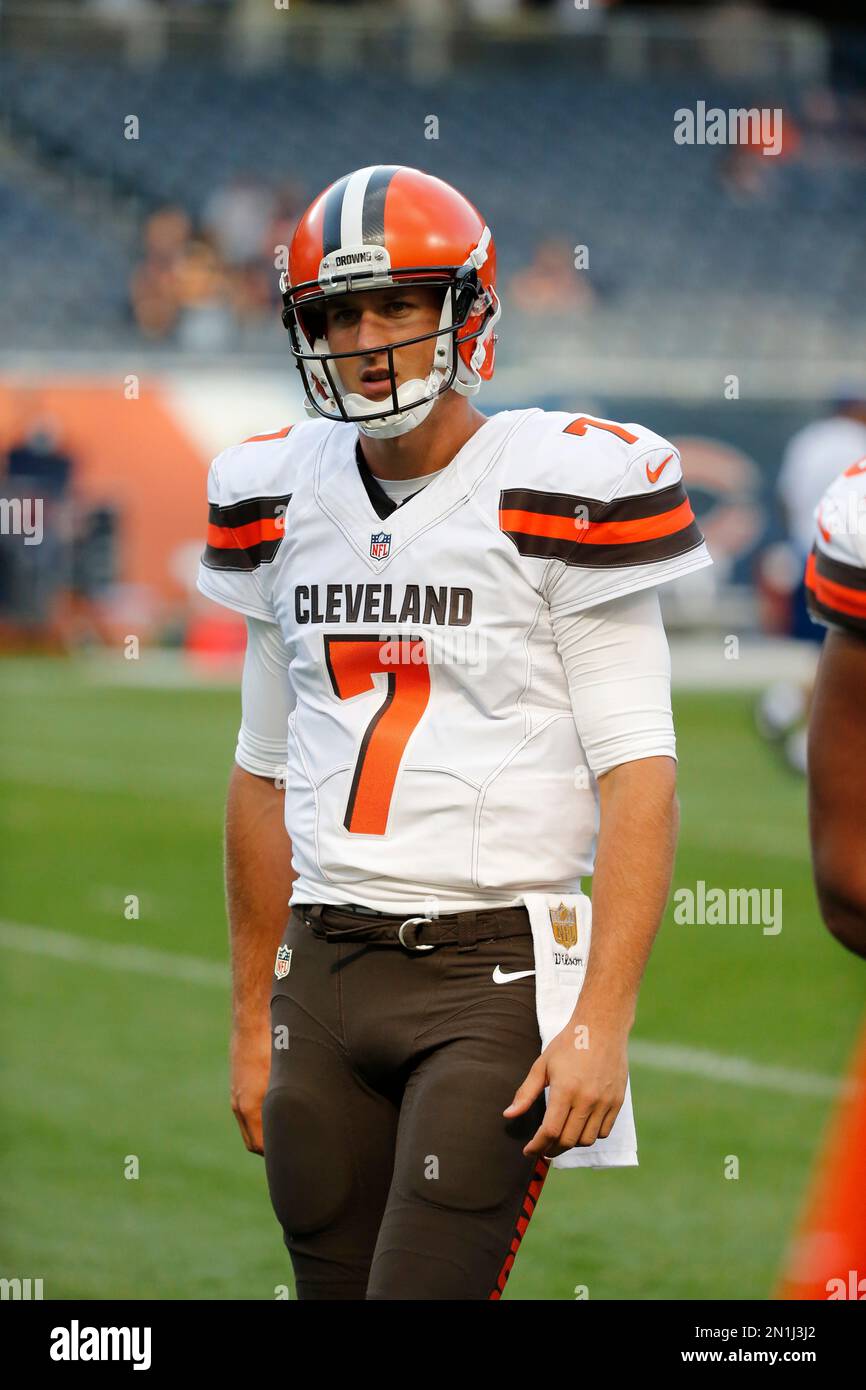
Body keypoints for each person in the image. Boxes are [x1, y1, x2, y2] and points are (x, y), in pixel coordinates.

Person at [196, 165, 712, 1300]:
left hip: (492, 974)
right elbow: (259, 775)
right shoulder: (274, 493)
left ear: (463, 311)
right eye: (336, 314)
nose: (365, 338)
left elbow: (639, 775)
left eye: (396, 305)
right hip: (320, 976)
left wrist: (600, 1021)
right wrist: (249, 1016)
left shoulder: (565, 481)